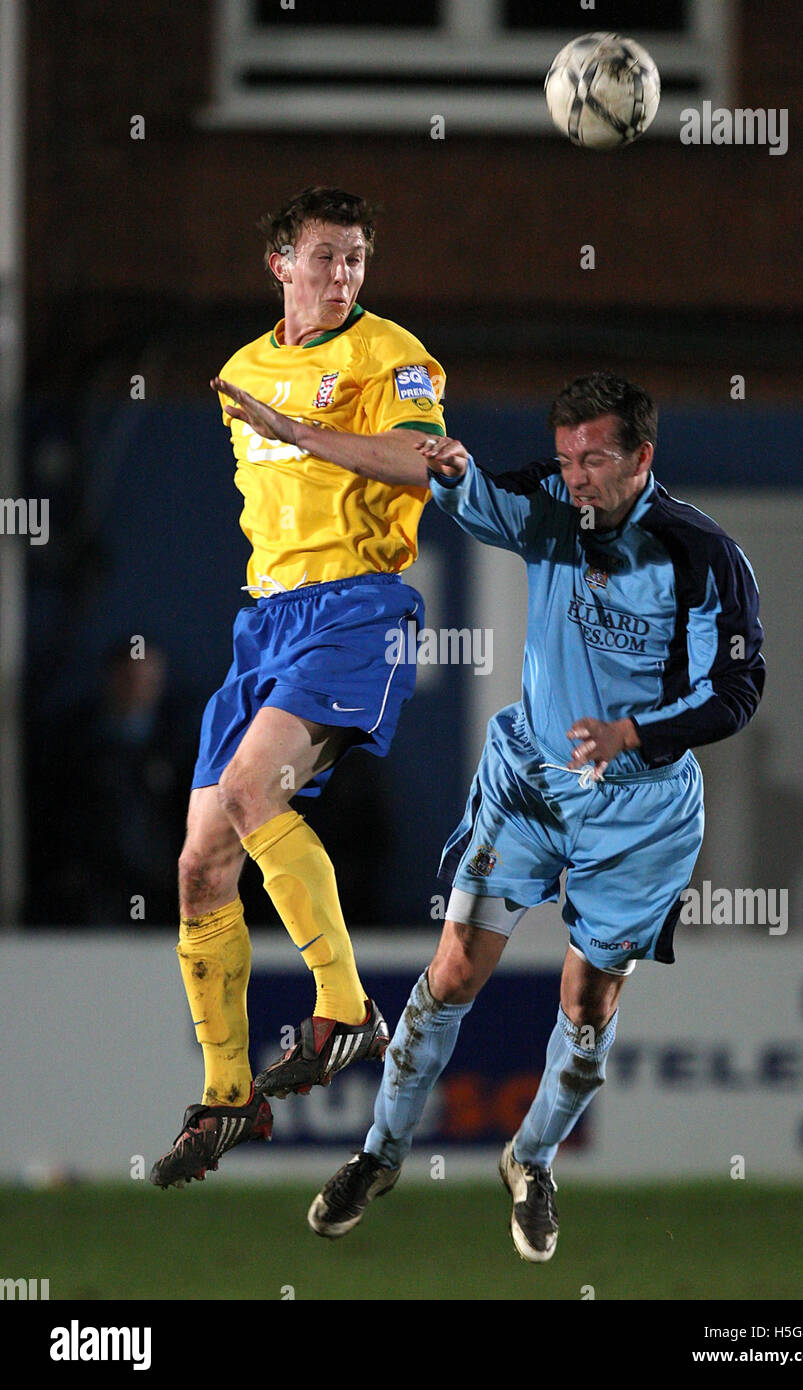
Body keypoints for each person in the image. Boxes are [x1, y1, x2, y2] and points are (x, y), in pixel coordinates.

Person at [298, 369, 764, 1261]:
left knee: (585, 1006)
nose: (575, 477)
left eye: (593, 459)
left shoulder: (702, 555)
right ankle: (379, 1153)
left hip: (641, 811)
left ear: (642, 458)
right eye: (564, 458)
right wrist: (438, 463)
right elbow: (467, 491)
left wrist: (634, 731)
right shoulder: (548, 503)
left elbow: (737, 691)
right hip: (528, 779)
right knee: (452, 971)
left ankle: (532, 1157)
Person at [150, 187, 447, 1188]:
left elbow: (419, 460)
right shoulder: (241, 370)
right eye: (324, 257)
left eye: (356, 258)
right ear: (279, 263)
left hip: (354, 606)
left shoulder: (392, 354)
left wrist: (308, 432)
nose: (342, 276)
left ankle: (347, 1006)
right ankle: (227, 1094)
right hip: (264, 622)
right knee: (197, 867)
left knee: (249, 796)